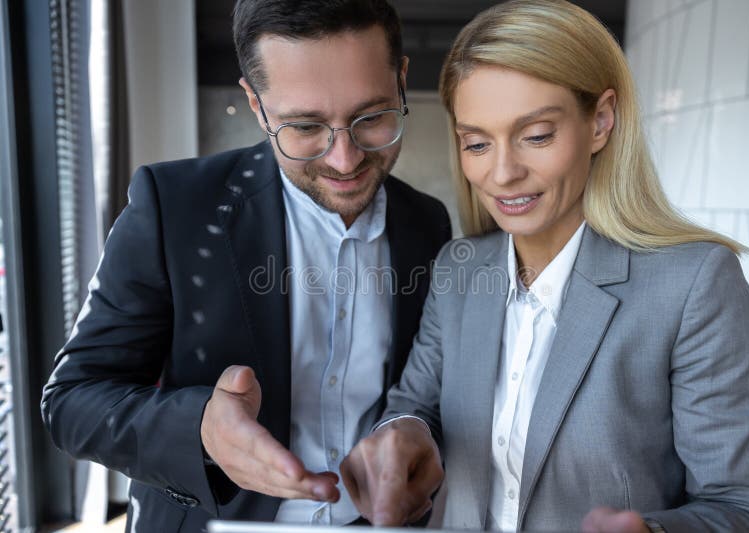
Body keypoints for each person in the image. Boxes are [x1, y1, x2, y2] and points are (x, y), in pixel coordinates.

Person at [340, 1, 749, 531]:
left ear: (600, 121)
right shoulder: (459, 268)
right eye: (477, 143)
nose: (503, 173)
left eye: (536, 135)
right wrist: (402, 435)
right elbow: (417, 403)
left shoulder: (695, 285)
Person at [40, 0, 451, 530]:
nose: (344, 160)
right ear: (257, 106)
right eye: (305, 127)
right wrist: (200, 431)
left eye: (371, 118)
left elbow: (425, 393)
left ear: (401, 80)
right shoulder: (173, 205)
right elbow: (72, 401)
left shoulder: (428, 223)